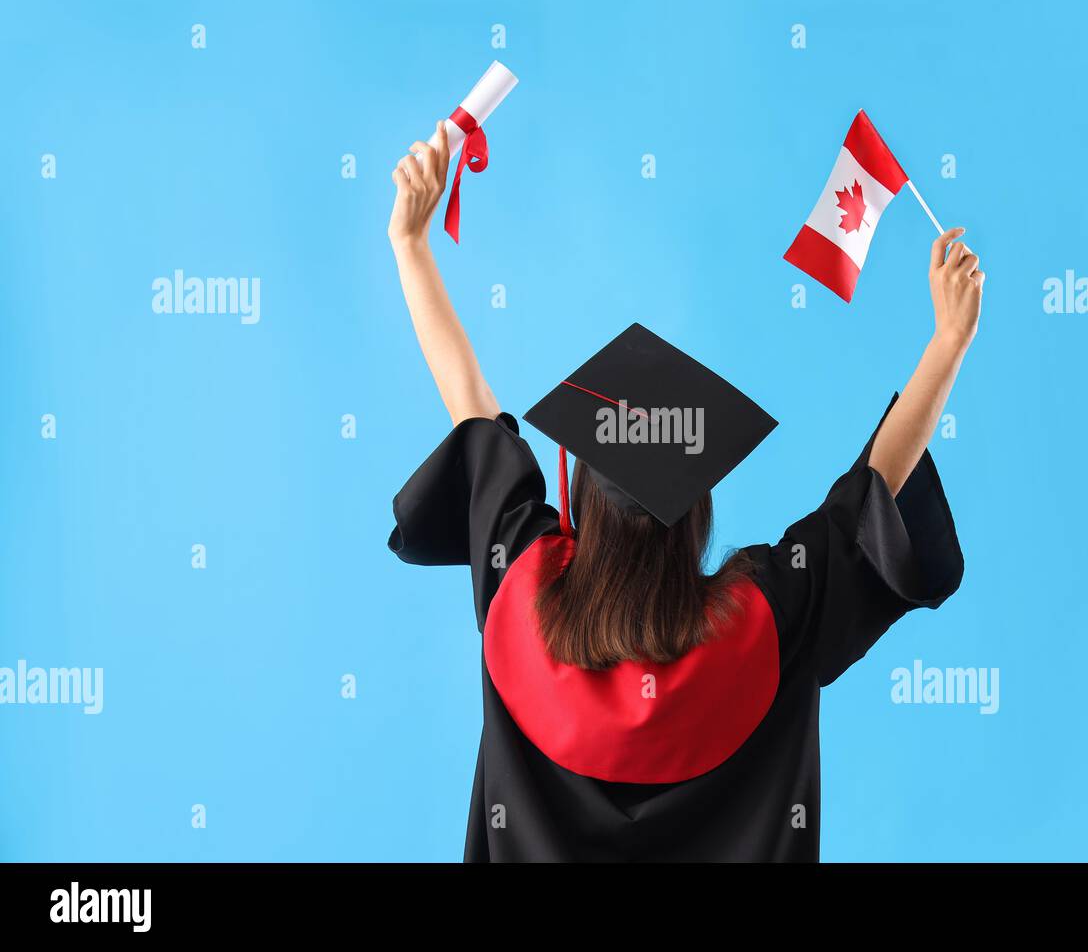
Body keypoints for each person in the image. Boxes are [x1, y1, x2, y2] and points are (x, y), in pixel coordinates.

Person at [385, 122, 983, 862]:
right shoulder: (764, 622)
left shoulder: (521, 591)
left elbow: (471, 411)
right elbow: (870, 497)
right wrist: (948, 341)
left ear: (580, 504)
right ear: (695, 517)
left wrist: (411, 246)